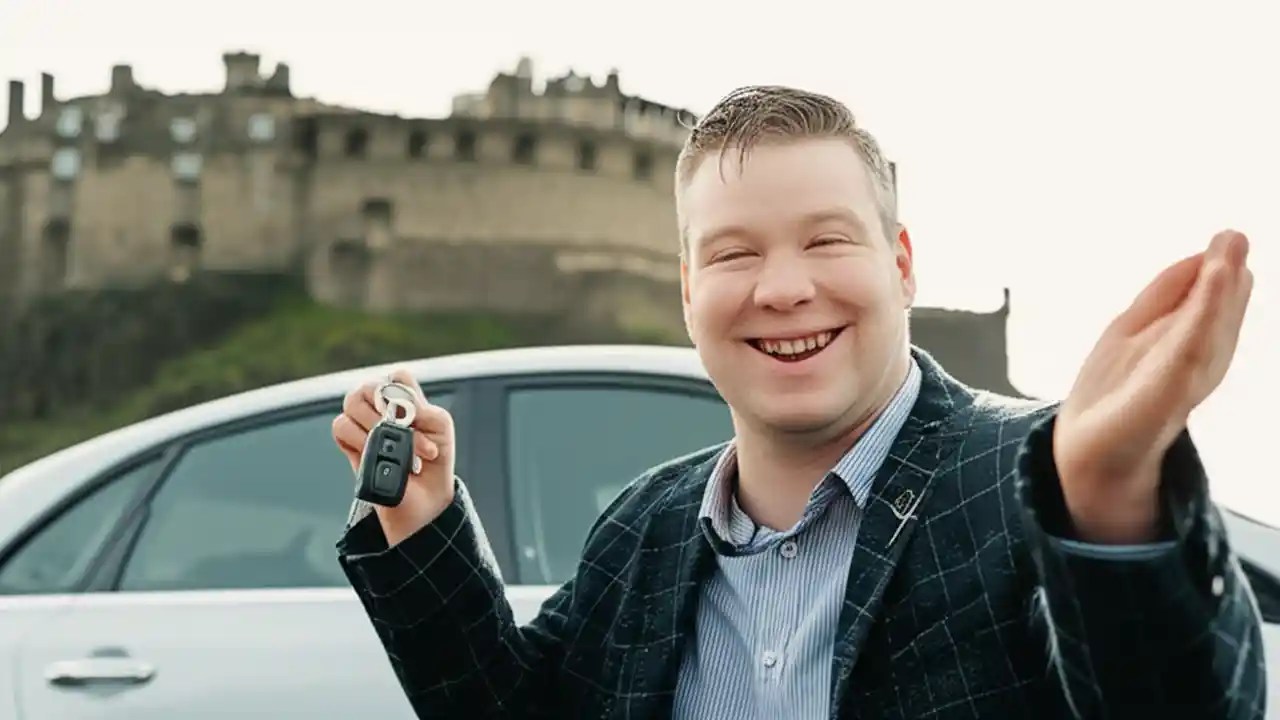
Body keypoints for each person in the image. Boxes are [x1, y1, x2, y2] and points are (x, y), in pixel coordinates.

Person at [330, 85, 1263, 719]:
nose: (783, 289)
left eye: (826, 241)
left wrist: (1109, 500)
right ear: (689, 291)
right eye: (736, 254)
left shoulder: (1025, 482)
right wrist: (424, 524)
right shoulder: (642, 530)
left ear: (901, 266)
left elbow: (1180, 700)